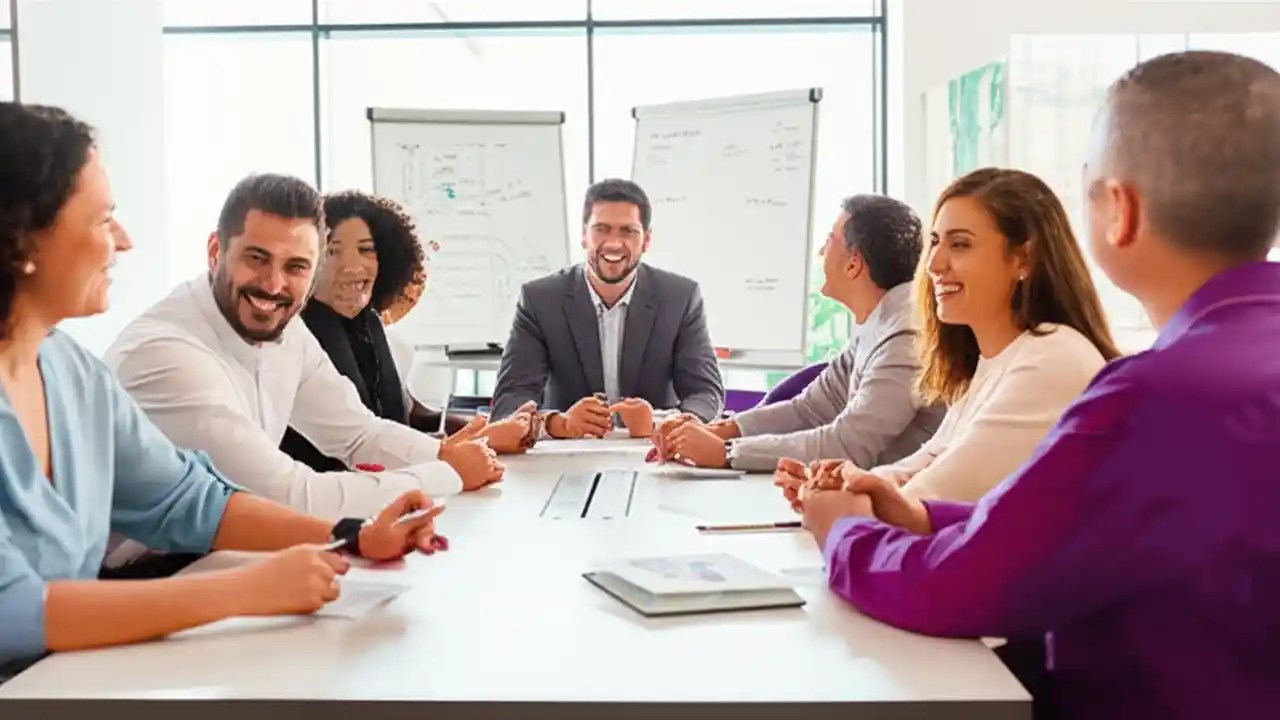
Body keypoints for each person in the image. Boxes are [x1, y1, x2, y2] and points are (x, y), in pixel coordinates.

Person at [802, 51, 1280, 719]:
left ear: (1120, 210)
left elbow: (970, 584)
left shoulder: (1147, 397)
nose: (936, 264)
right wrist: (921, 516)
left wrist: (846, 536)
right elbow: (1064, 531)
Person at [0, 102, 448, 677]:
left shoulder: (69, 372)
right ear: (22, 237)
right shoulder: (157, 350)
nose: (124, 240)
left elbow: (188, 500)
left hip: (56, 684)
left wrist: (352, 539)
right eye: (100, 219)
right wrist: (244, 590)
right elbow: (11, 612)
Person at [105, 174, 502, 525]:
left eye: (296, 267)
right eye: (256, 258)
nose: (274, 284)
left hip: (225, 557)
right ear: (215, 251)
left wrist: (445, 454)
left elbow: (356, 434)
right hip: (144, 578)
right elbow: (289, 498)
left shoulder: (286, 330)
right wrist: (446, 473)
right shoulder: (167, 353)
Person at [778, 167, 1119, 507]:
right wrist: (847, 482)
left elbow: (930, 498)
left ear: (1023, 258)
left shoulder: (1051, 358)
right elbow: (926, 463)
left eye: (960, 244)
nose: (934, 264)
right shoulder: (987, 362)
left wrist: (845, 498)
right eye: (936, 242)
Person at [654, 195, 943, 471]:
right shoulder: (879, 321)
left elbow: (848, 445)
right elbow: (808, 410)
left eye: (829, 241)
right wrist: (716, 430)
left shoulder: (906, 335)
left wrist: (727, 451)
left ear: (853, 264)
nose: (821, 252)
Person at [279, 190, 535, 472]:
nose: (351, 266)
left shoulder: (369, 325)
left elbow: (407, 413)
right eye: (333, 251)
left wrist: (488, 428)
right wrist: (482, 439)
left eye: (366, 249)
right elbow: (360, 440)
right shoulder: (297, 333)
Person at [491, 178, 724, 439]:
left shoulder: (680, 298)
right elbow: (509, 402)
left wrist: (660, 423)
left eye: (628, 231)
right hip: (567, 456)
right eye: (601, 229)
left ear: (646, 240)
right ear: (584, 235)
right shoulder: (540, 300)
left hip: (651, 453)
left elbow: (706, 394)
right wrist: (560, 424)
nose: (613, 243)